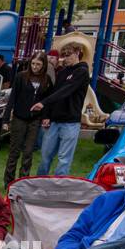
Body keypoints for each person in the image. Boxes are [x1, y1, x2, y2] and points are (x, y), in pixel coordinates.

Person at [34, 41, 89, 175]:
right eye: (63, 55)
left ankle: (59, 186)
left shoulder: (82, 71)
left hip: (70, 122)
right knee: (45, 156)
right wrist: (47, 114)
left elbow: (66, 90)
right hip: (54, 121)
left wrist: (43, 103)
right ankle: (40, 182)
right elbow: (54, 92)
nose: (65, 58)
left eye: (68, 55)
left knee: (64, 159)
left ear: (77, 53)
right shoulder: (63, 72)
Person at [3, 51, 52, 188]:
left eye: (39, 64)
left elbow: (48, 101)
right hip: (19, 118)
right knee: (14, 151)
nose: (35, 67)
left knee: (28, 151)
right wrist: (6, 120)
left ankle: (23, 181)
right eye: (33, 63)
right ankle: (9, 181)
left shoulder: (46, 80)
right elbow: (12, 97)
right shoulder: (21, 77)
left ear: (44, 65)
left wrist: (46, 116)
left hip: (35, 120)